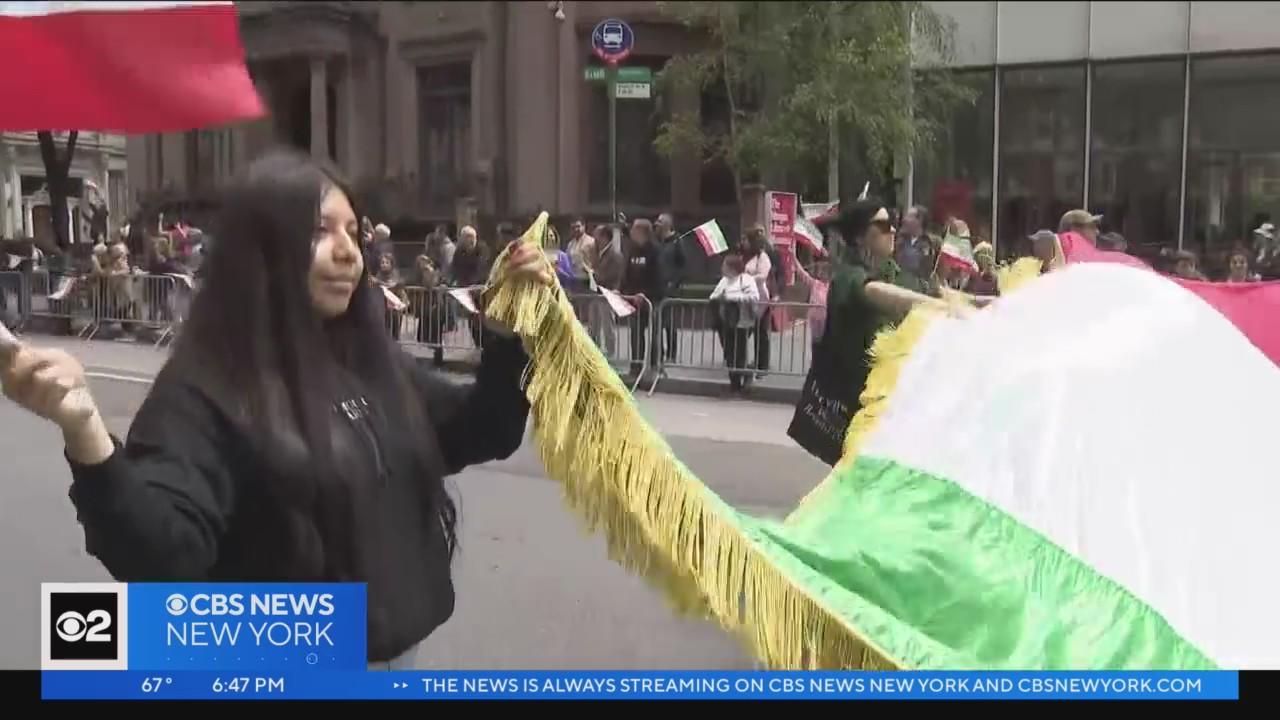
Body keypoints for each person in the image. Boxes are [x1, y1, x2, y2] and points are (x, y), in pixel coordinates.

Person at [0, 149, 550, 669]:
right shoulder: (205, 391)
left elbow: (483, 430)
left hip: (397, 663)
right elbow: (161, 557)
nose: (348, 252)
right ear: (259, 252)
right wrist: (86, 431)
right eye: (318, 231)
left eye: (352, 232)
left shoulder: (371, 362)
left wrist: (509, 339)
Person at [788, 199, 948, 466]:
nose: (893, 231)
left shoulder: (891, 272)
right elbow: (877, 293)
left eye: (894, 224)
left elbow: (932, 291)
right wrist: (941, 308)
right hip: (857, 415)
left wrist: (989, 304)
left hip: (891, 414)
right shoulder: (848, 277)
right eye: (883, 225)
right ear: (862, 236)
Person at [709, 251, 759, 395]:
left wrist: (733, 297)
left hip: (742, 321)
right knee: (729, 353)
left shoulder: (747, 279)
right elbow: (714, 296)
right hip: (726, 321)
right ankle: (734, 384)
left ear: (732, 267)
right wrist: (721, 298)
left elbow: (753, 296)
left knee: (740, 353)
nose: (722, 268)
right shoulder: (724, 281)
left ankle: (745, 377)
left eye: (724, 265)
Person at [621, 218, 661, 379]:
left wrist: (645, 293)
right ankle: (635, 367)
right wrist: (622, 290)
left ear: (642, 232)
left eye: (634, 230)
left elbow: (659, 277)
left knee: (653, 335)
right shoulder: (633, 250)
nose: (631, 233)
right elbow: (627, 273)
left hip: (651, 300)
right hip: (634, 300)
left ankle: (653, 366)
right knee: (636, 335)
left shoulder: (655, 251)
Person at [742, 228, 774, 380]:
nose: (745, 243)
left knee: (761, 333)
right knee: (755, 331)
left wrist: (748, 279)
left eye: (747, 240)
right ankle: (756, 362)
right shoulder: (752, 257)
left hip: (761, 298)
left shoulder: (763, 257)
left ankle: (763, 365)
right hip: (752, 297)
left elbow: (762, 276)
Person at [655, 212, 686, 362]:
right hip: (658, 288)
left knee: (670, 323)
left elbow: (683, 266)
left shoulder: (677, 242)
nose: (657, 224)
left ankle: (672, 354)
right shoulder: (659, 242)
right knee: (657, 323)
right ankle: (659, 353)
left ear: (668, 224)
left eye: (660, 222)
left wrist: (674, 283)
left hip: (671, 290)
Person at [895, 205, 936, 281]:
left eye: (909, 216)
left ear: (919, 220)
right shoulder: (897, 239)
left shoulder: (928, 244)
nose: (904, 219)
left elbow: (926, 272)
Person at [565, 217, 595, 294]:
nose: (576, 229)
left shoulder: (591, 242)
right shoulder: (571, 244)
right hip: (574, 279)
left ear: (584, 226)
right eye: (573, 227)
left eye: (578, 226)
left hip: (587, 278)